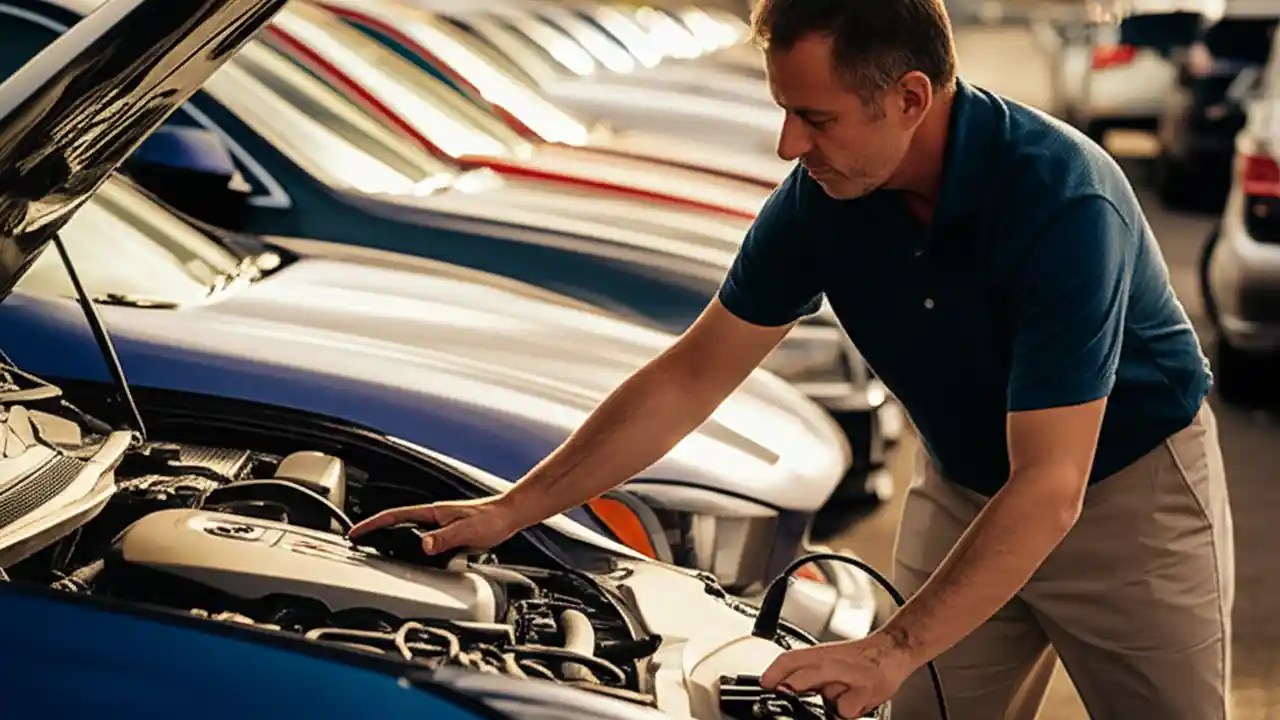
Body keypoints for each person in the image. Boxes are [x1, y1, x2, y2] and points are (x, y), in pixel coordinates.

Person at [350, 0, 1235, 717]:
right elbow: (690, 377)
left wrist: (891, 647)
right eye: (785, 111)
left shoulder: (1063, 200)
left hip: (1128, 498)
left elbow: (1051, 485)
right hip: (967, 486)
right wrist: (511, 509)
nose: (788, 145)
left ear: (911, 97)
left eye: (815, 117)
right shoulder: (822, 200)